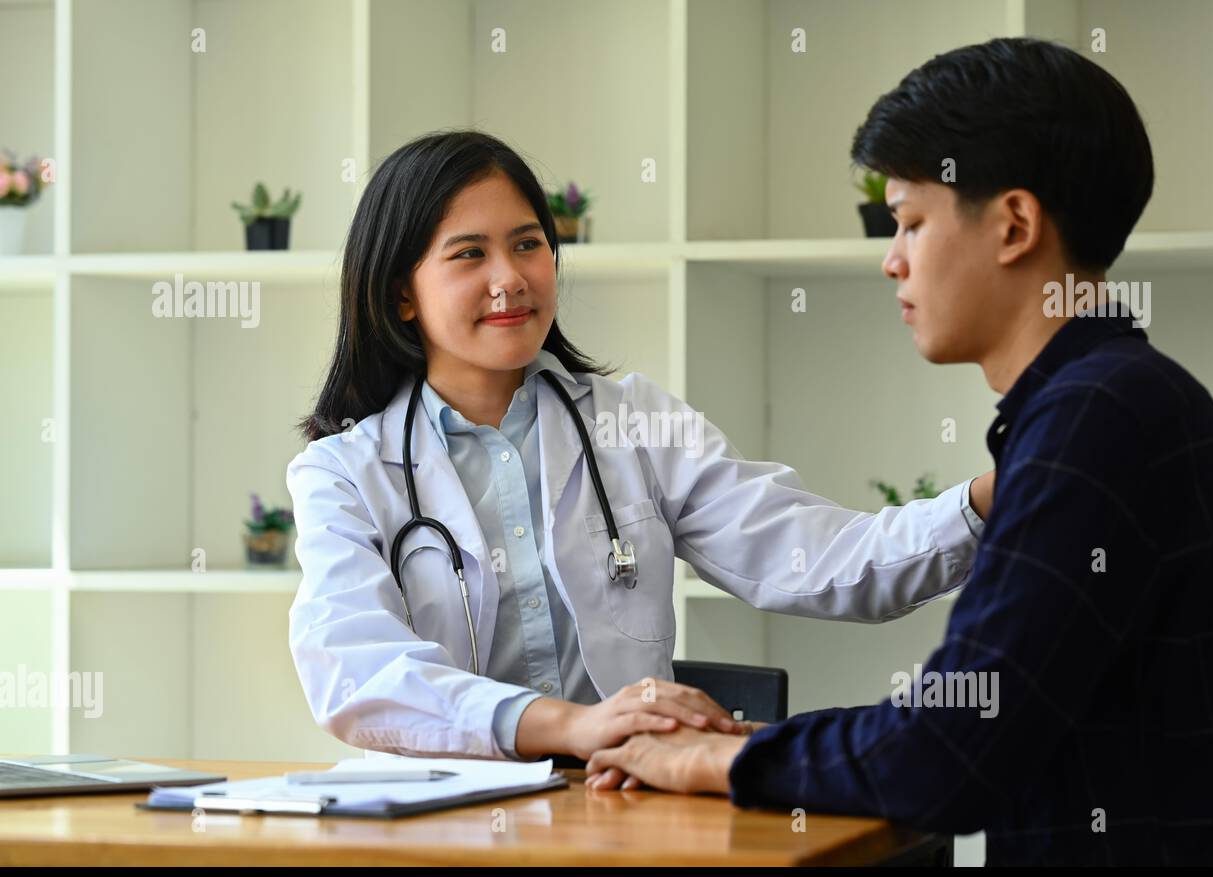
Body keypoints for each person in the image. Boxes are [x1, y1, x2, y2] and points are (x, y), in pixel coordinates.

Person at [584, 37, 1213, 865]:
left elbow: (949, 754)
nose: (891, 260)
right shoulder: (1111, 401)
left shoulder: (1097, 419)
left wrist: (724, 757)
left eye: (912, 223)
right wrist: (751, 743)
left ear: (1014, 226)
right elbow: (967, 721)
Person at [286, 130, 994, 768]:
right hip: (431, 830)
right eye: (470, 254)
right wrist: (570, 726)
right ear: (400, 294)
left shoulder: (636, 422)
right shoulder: (343, 474)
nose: (511, 278)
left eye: (529, 244)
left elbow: (823, 560)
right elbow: (357, 670)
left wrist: (985, 501)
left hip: (618, 809)